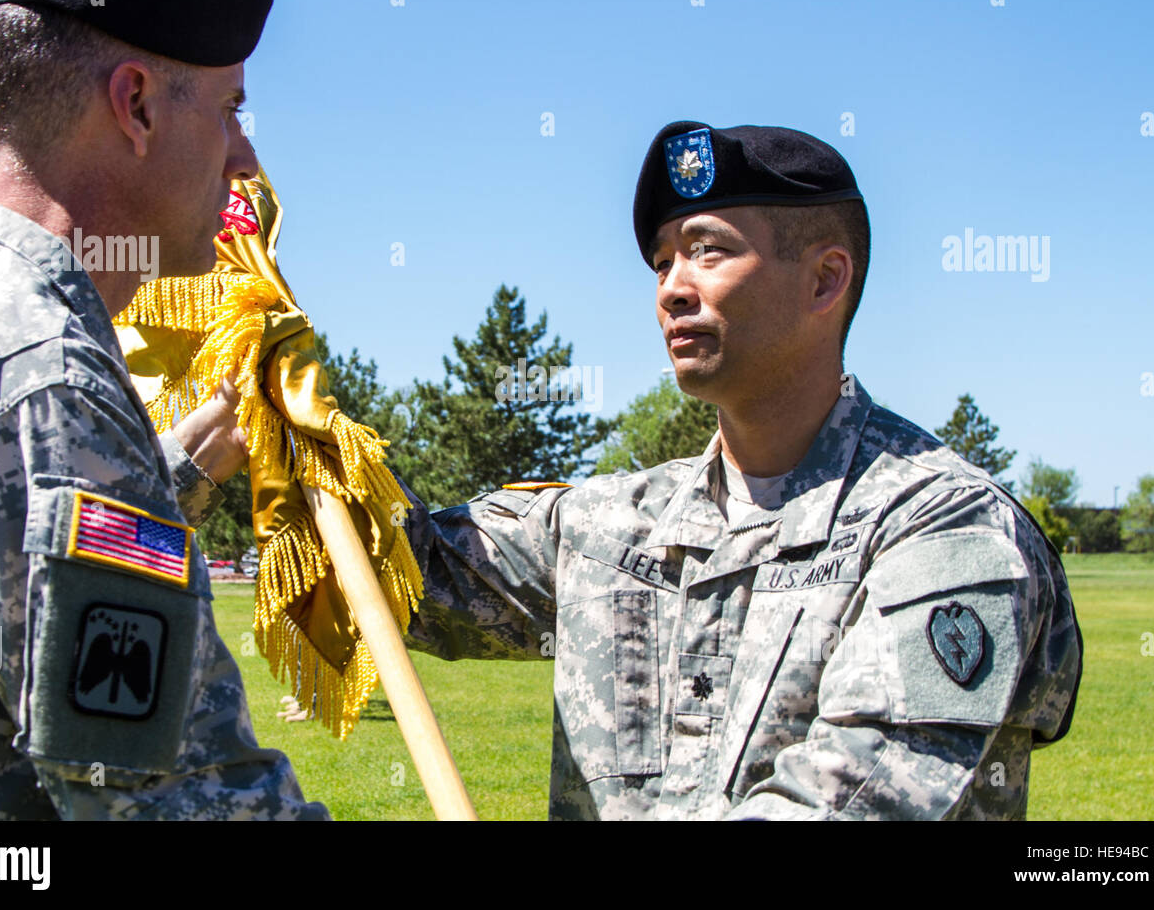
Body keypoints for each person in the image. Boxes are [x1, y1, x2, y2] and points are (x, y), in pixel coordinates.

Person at [396, 121, 1083, 819]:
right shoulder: (609, 524)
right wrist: (293, 414)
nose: (672, 288)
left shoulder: (944, 527)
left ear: (825, 280)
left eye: (707, 252)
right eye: (663, 263)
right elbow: (389, 567)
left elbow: (853, 801)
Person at [0, 0, 326, 819]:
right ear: (135, 106)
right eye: (231, 111)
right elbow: (177, 801)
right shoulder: (44, 383)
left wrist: (178, 469)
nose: (244, 158)